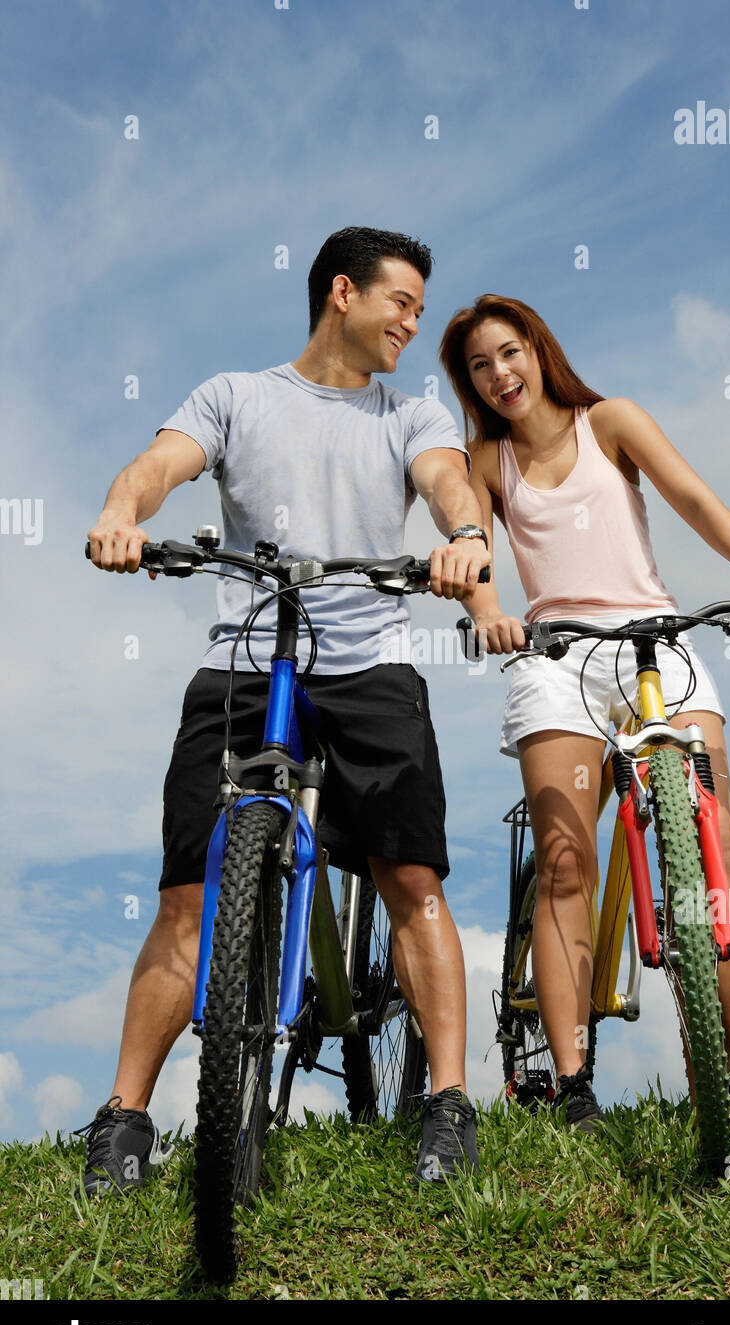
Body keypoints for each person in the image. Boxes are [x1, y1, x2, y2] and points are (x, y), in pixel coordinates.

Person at [78, 227, 494, 1192]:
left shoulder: (412, 414)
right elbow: (159, 465)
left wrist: (466, 536)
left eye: (421, 311)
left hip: (371, 666)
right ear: (342, 293)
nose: (412, 324)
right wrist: (120, 516)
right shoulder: (237, 396)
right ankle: (125, 1117)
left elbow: (446, 483)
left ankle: (446, 1101)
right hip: (244, 659)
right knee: (188, 893)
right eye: (401, 303)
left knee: (412, 879)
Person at [439, 294, 730, 1129]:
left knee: (719, 854)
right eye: (479, 367)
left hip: (656, 646)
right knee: (568, 864)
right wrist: (487, 613)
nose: (500, 375)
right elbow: (478, 557)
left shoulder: (610, 423)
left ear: (539, 349)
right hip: (555, 657)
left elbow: (695, 500)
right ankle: (574, 1085)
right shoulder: (483, 460)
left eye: (510, 353)